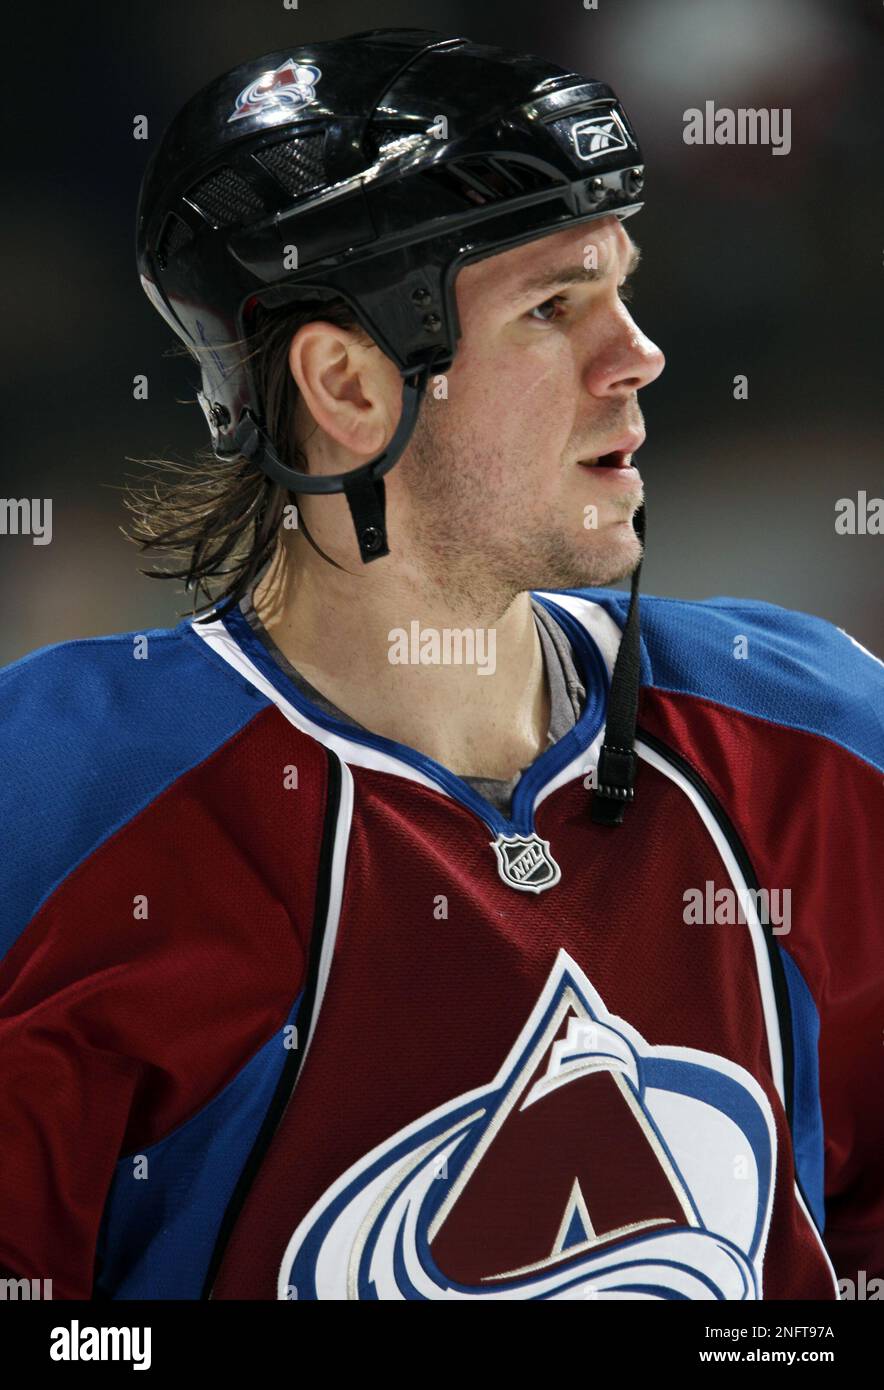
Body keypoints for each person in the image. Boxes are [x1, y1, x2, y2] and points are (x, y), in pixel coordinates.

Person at [1, 28, 881, 1302]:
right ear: (348, 385)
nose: (635, 354)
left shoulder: (814, 743)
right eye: (551, 306)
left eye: (619, 289)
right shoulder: (57, 813)